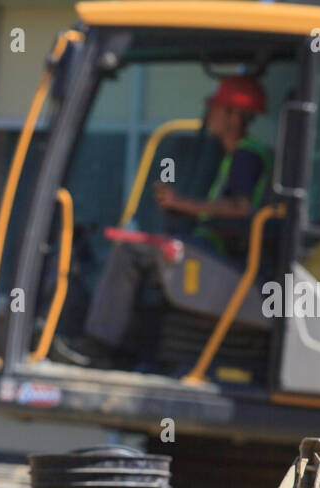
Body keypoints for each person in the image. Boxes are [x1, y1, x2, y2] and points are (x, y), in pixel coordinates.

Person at [83, 76, 272, 365]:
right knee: (147, 258)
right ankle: (135, 352)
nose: (209, 114)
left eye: (217, 108)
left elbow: (240, 208)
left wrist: (180, 202)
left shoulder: (247, 155)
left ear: (234, 116)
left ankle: (98, 345)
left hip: (222, 256)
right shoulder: (235, 155)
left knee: (130, 251)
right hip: (215, 250)